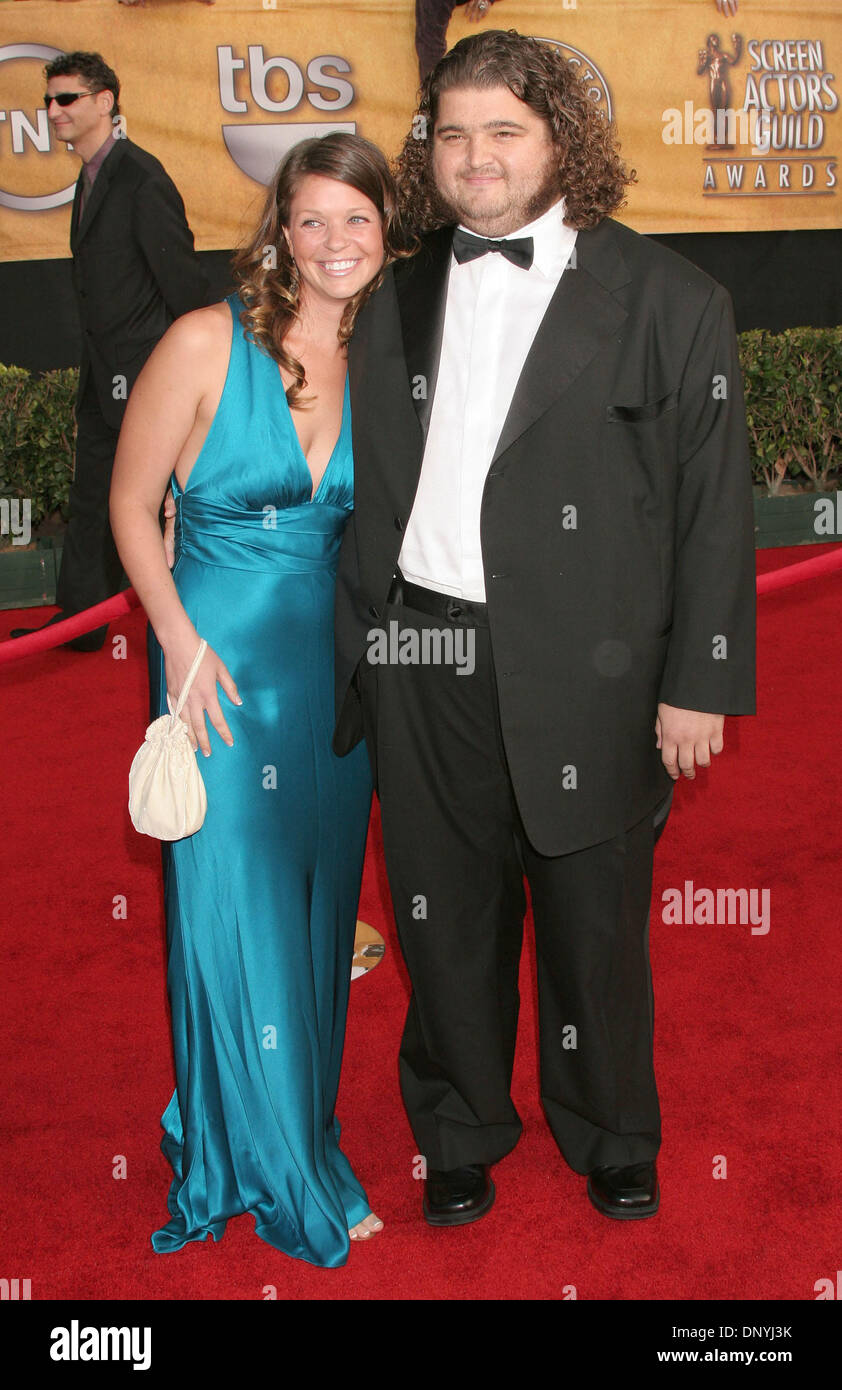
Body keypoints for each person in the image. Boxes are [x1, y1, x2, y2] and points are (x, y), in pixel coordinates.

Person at [333, 31, 756, 1227]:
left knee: (594, 917)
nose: (473, 158)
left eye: (503, 132)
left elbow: (712, 506)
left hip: (594, 663)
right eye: (453, 133)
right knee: (441, 909)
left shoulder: (671, 299)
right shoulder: (392, 288)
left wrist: (698, 681)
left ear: (561, 140)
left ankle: (612, 1128)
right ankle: (458, 1125)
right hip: (423, 649)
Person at [110, 132, 411, 1265]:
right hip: (217, 665)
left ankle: (268, 1124)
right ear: (279, 231)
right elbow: (133, 507)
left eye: (356, 219)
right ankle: (284, 1170)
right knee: (234, 911)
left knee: (319, 909)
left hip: (331, 675)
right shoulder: (202, 341)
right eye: (311, 219)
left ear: (387, 231)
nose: (334, 241)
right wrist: (178, 645)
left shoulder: (390, 358)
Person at [12, 51, 208, 652]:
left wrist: (186, 378)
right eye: (48, 100)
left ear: (105, 102)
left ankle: (199, 615)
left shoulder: (141, 178)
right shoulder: (93, 175)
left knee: (168, 498)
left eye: (67, 98)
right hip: (105, 376)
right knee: (92, 495)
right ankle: (82, 622)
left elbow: (184, 288)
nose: (53, 110)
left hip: (147, 376)